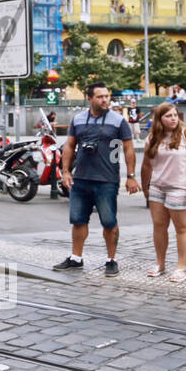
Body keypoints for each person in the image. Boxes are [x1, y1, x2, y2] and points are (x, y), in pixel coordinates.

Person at [53, 82, 140, 276]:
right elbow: (69, 146)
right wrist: (66, 171)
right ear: (90, 99)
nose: (105, 100)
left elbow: (128, 148)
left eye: (107, 96)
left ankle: (111, 260)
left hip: (107, 179)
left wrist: (131, 176)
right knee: (77, 220)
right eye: (100, 97)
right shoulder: (78, 120)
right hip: (81, 178)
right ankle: (76, 258)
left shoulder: (118, 121)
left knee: (109, 221)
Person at [140, 103, 186, 282]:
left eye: (175, 115)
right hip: (158, 186)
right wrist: (145, 187)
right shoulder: (153, 136)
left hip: (181, 187)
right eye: (168, 116)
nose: (173, 118)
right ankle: (160, 264)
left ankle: (181, 267)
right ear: (159, 119)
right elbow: (146, 164)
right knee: (159, 226)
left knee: (182, 228)